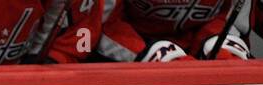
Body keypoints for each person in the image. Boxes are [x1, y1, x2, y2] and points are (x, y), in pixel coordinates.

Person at [98, 0, 251, 60]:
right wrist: (144, 54)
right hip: (136, 55)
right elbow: (103, 23)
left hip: (203, 48)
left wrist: (219, 44)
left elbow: (230, 15)